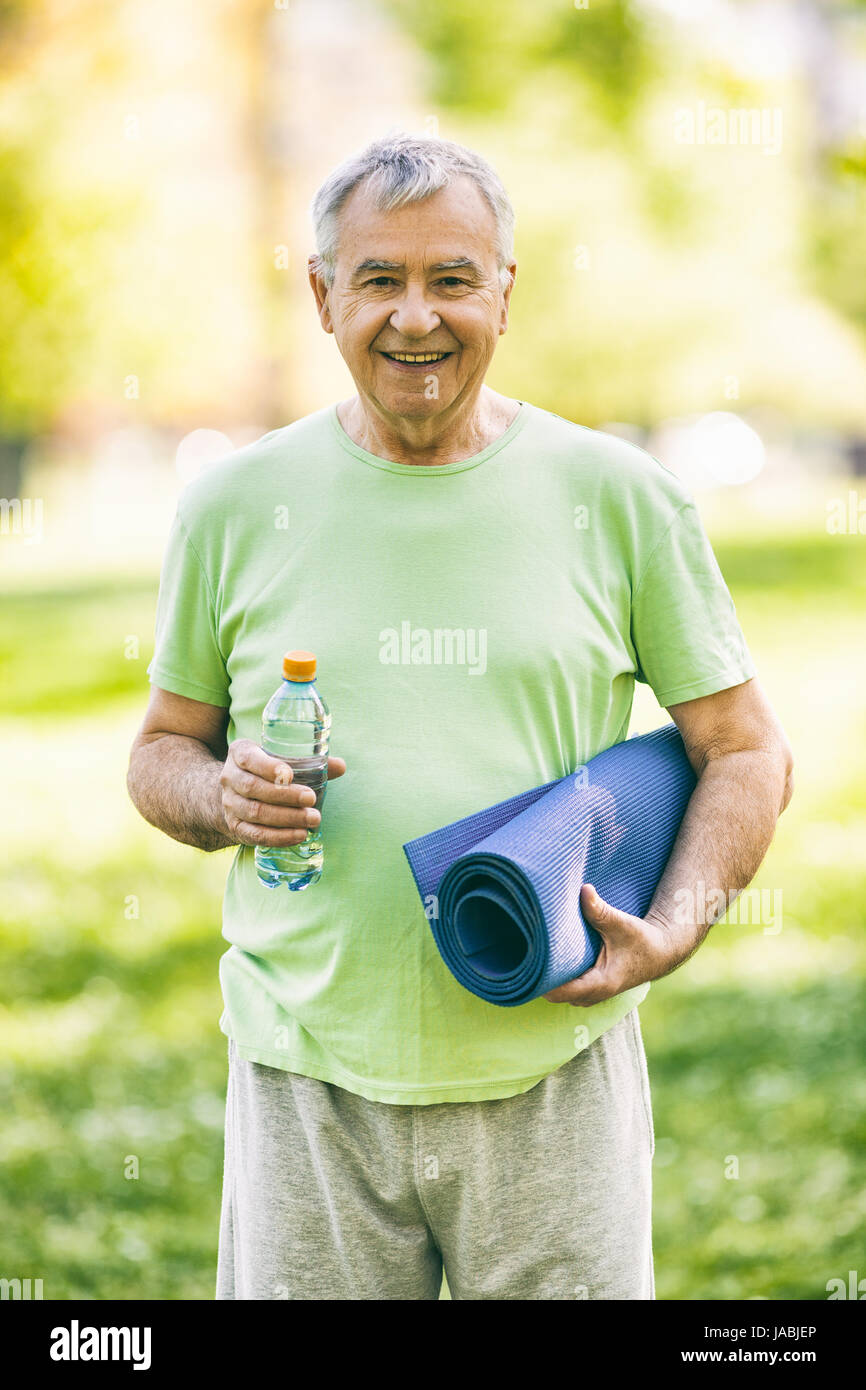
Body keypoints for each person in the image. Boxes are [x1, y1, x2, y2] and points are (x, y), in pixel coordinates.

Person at [127, 133, 794, 1301]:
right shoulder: (233, 506)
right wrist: (213, 794)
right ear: (323, 293)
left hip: (553, 1069)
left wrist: (677, 921)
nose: (414, 318)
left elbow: (742, 747)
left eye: (450, 279)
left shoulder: (619, 498)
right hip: (308, 1078)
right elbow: (158, 749)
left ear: (504, 291)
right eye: (378, 279)